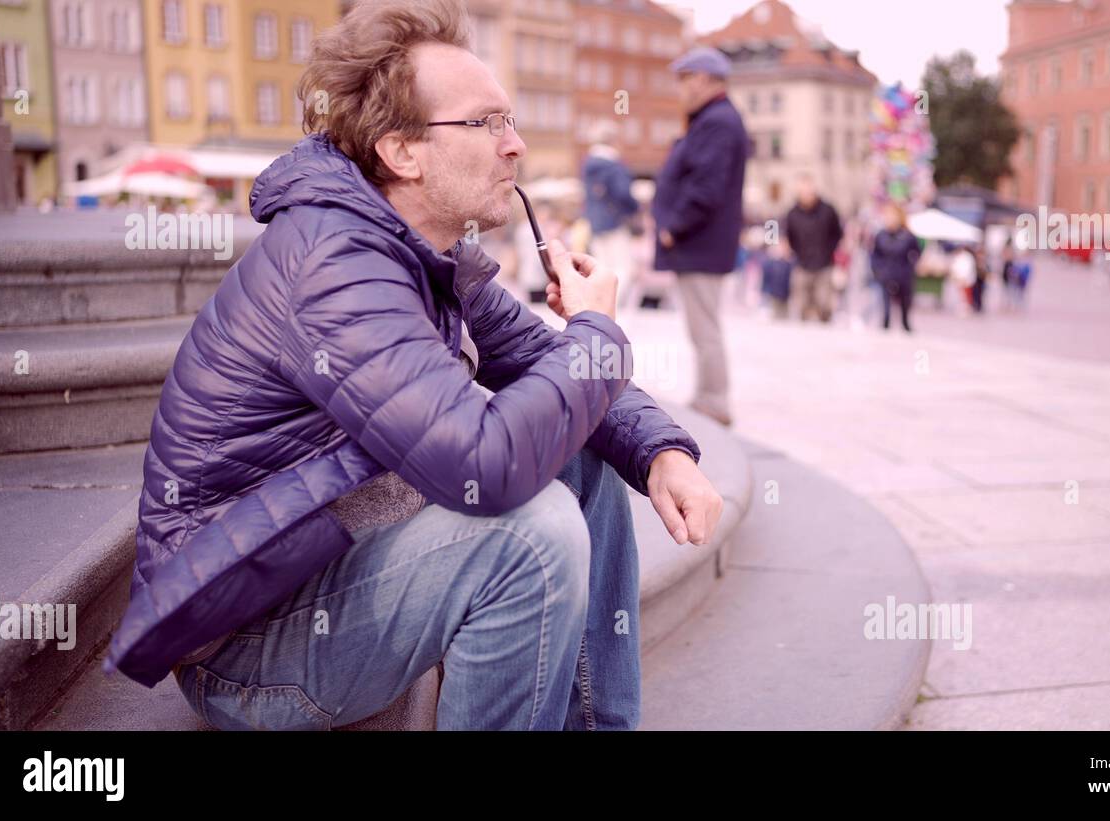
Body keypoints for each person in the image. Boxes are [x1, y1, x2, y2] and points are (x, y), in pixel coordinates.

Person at [101, 0, 724, 732]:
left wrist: (663, 450)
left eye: (510, 120)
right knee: (531, 534)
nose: (515, 145)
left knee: (581, 452)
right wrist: (596, 332)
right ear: (402, 151)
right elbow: (486, 463)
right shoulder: (336, 268)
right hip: (247, 642)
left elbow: (536, 357)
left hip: (334, 557)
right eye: (487, 123)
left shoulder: (423, 252)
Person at [653, 46, 751, 428]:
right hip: (701, 244)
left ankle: (714, 401)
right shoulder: (713, 120)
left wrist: (674, 227)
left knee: (704, 327)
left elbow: (706, 187)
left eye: (684, 79)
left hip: (699, 243)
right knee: (702, 326)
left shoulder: (718, 123)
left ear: (703, 79)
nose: (680, 88)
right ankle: (709, 396)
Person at [582, 121, 640, 313]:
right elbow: (623, 194)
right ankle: (610, 306)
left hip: (595, 223)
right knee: (624, 268)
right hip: (615, 222)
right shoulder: (614, 166)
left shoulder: (588, 166)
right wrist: (634, 209)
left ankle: (599, 305)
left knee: (601, 267)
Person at [783, 173, 844, 322]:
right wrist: (789, 249)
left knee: (824, 304)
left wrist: (831, 250)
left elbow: (838, 233)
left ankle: (826, 330)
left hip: (824, 263)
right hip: (802, 263)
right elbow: (783, 234)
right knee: (801, 304)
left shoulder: (828, 210)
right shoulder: (792, 213)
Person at [869, 203, 920, 333]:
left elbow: (917, 252)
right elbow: (875, 254)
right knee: (885, 303)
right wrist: (877, 269)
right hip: (885, 273)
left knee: (905, 302)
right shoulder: (880, 235)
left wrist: (911, 266)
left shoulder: (908, 236)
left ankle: (905, 323)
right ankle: (885, 324)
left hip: (903, 274)